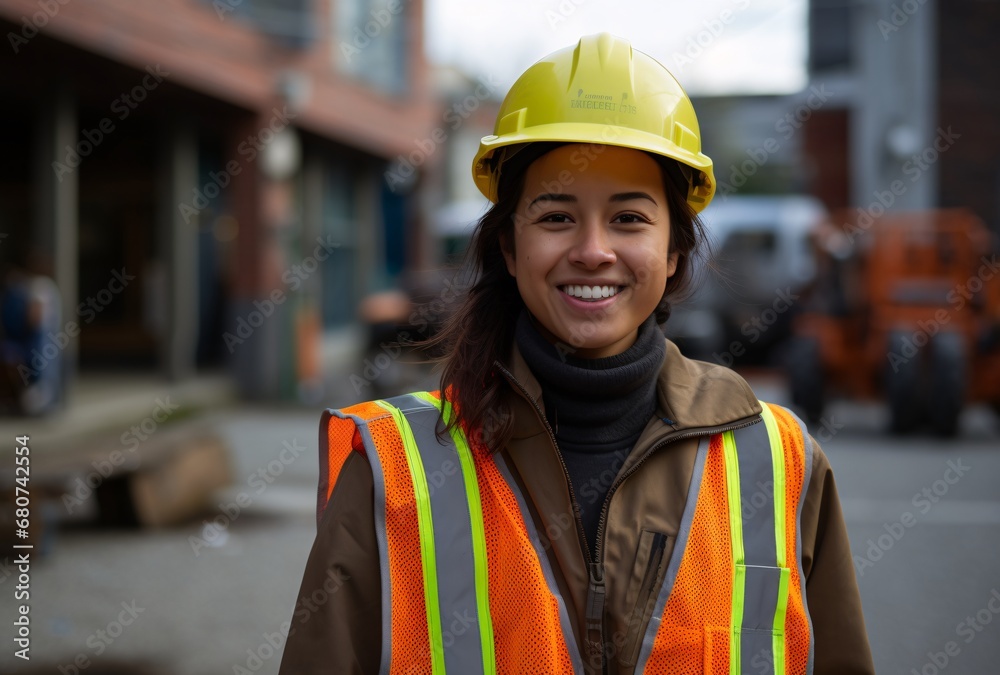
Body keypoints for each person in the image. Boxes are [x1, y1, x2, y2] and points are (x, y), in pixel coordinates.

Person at [278, 33, 874, 674]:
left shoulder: (781, 463)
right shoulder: (392, 471)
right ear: (508, 247)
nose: (593, 250)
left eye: (629, 218)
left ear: (675, 250)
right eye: (557, 216)